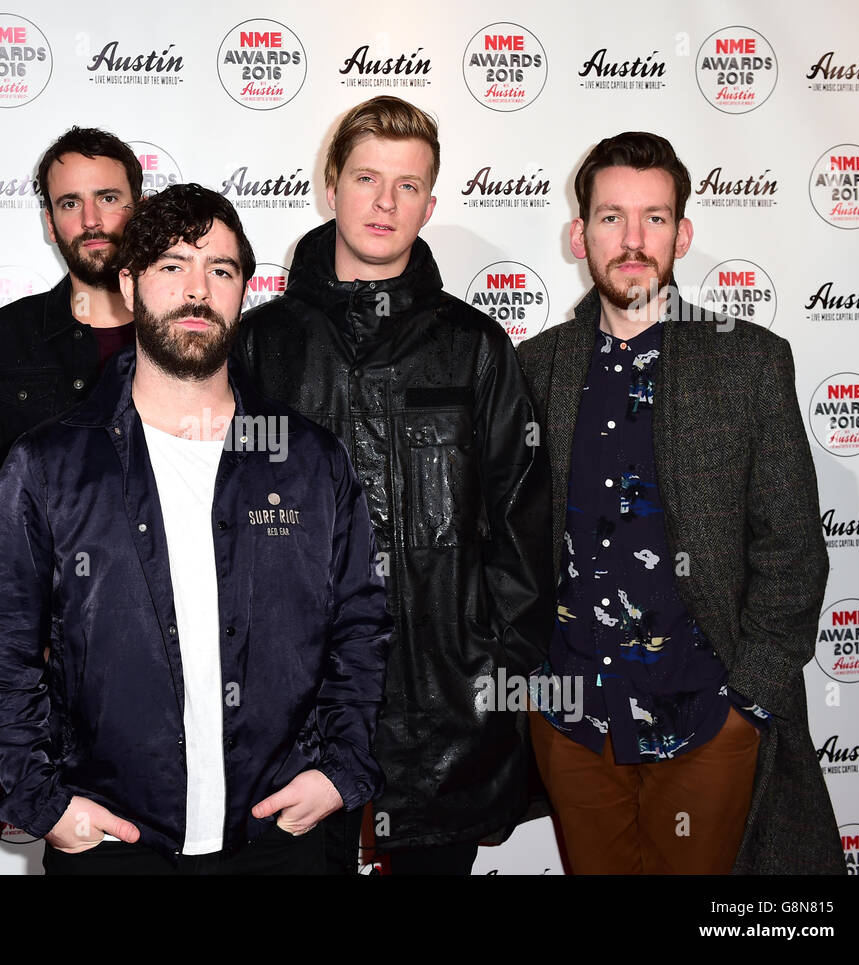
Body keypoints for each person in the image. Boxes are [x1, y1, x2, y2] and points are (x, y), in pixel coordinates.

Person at [0, 183, 392, 874]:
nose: (198, 290)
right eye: (173, 266)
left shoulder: (311, 459)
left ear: (242, 291)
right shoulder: (47, 465)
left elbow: (362, 626)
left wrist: (340, 769)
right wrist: (45, 803)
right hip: (115, 840)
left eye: (220, 270)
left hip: (281, 836)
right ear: (131, 284)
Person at [236, 96, 553, 874]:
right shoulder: (261, 343)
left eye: (407, 186)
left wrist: (495, 669)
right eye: (367, 178)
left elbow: (526, 523)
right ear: (331, 185)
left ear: (431, 204)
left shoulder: (475, 346)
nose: (385, 202)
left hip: (445, 714)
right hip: (292, 714)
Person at [515, 131, 842, 874]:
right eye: (611, 217)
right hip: (575, 726)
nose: (633, 241)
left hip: (705, 721)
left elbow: (793, 549)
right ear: (580, 234)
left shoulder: (749, 361)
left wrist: (747, 704)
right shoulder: (534, 367)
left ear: (683, 233)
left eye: (654, 218)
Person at [0, 127, 142, 528]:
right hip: (44, 588)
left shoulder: (184, 337)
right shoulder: (2, 340)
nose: (91, 221)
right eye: (70, 203)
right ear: (50, 222)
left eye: (107, 198)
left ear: (140, 209)